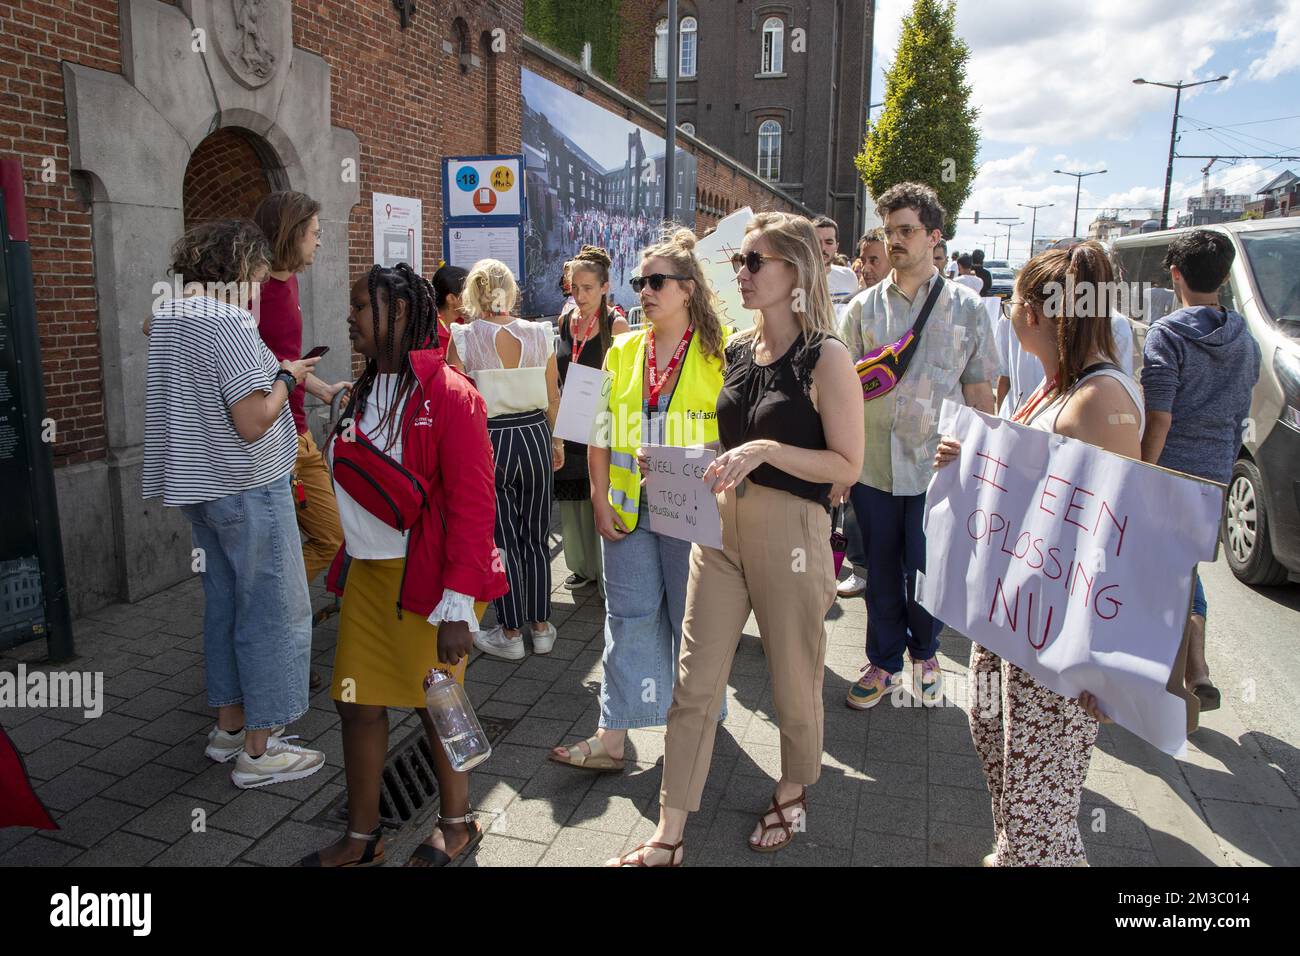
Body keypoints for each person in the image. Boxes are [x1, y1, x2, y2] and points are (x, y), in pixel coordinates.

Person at [609, 212, 864, 865]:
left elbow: (847, 466)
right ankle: (669, 833)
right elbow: (730, 442)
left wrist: (768, 448)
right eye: (740, 262)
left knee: (792, 677)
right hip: (716, 526)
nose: (740, 273)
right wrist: (681, 459)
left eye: (755, 262)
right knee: (694, 683)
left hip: (793, 532)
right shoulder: (742, 350)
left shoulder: (825, 356)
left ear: (796, 271)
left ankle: (791, 790)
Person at [934, 241, 1143, 866]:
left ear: (1039, 313)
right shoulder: (1060, 387)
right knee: (1006, 767)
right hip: (1017, 621)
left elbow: (1111, 542)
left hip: (1055, 641)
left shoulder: (1098, 401)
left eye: (1015, 298)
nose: (1007, 310)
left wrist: (1097, 667)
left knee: (1040, 817)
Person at [300, 263, 507, 867]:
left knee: (436, 706)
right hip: (368, 578)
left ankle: (457, 821)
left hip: (429, 580)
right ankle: (363, 839)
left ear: (399, 314)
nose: (350, 316)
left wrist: (458, 604)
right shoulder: (363, 390)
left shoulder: (450, 393)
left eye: (362, 306)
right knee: (356, 703)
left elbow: (474, 506)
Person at [143, 219, 326, 787]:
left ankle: (227, 729)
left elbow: (160, 334)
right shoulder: (231, 321)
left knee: (225, 605)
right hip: (247, 482)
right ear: (241, 267)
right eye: (254, 270)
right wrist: (287, 378)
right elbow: (253, 420)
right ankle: (261, 748)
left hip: (198, 484)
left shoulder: (167, 315)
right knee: (275, 611)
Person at [550, 228, 729, 775]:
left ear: (689, 289)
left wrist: (695, 456)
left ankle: (703, 724)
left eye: (657, 281)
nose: (644, 290)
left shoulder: (720, 354)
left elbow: (735, 438)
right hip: (628, 510)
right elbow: (600, 431)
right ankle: (613, 737)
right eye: (639, 282)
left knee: (690, 624)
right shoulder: (624, 350)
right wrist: (599, 497)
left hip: (691, 510)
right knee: (625, 618)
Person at [838, 182, 997, 710]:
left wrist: (975, 457)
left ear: (935, 237)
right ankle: (882, 661)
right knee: (880, 569)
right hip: (874, 469)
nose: (896, 240)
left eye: (906, 230)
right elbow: (840, 393)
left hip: (937, 469)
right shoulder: (861, 309)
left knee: (929, 571)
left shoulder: (971, 311)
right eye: (890, 231)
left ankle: (926, 654)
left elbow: (980, 395)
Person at [1140, 230, 1260, 713]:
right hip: (1213, 474)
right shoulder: (1245, 341)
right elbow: (1239, 417)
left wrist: (1141, 472)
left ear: (1175, 275)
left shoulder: (1166, 334)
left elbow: (1160, 418)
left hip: (1168, 472)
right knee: (1185, 572)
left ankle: (1170, 687)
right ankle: (1198, 671)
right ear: (1225, 277)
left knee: (1158, 575)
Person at [252, 191, 350, 693]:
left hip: (297, 431)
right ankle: (269, 625)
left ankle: (270, 618)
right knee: (303, 544)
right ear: (291, 234)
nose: (319, 241)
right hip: (278, 440)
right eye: (314, 232)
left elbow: (282, 361)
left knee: (323, 538)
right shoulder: (254, 290)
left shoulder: (287, 285)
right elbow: (254, 366)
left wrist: (320, 386)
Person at [446, 259, 562, 661]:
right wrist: (557, 443)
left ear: (474, 294)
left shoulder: (461, 338)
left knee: (502, 539)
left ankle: (511, 631)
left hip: (489, 440)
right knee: (536, 535)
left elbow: (458, 403)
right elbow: (553, 397)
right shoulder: (540, 333)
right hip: (534, 435)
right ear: (511, 291)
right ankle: (542, 626)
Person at [554, 245, 630, 593]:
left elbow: (626, 377)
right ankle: (582, 565)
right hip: (572, 418)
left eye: (587, 288)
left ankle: (606, 573)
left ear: (604, 287)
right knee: (573, 497)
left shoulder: (616, 323)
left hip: (602, 420)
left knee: (599, 490)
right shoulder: (565, 321)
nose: (580, 295)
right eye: (575, 287)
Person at [993, 245, 1133, 418]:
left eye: (1011, 304)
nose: (1009, 316)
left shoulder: (1097, 396)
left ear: (1030, 315)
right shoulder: (1056, 380)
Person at [813, 214, 860, 317]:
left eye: (829, 242)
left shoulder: (849, 276)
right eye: (817, 242)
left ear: (836, 247)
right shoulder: (797, 277)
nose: (822, 248)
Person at [432, 262, 469, 340]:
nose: (473, 299)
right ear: (451, 298)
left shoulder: (465, 326)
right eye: (468, 295)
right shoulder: (429, 333)